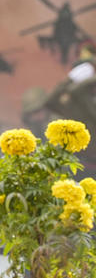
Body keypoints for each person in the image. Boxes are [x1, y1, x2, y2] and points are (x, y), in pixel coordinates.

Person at [43, 40, 96, 177]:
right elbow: (50, 102)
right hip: (82, 164)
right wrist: (70, 79)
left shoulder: (81, 96)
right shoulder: (75, 100)